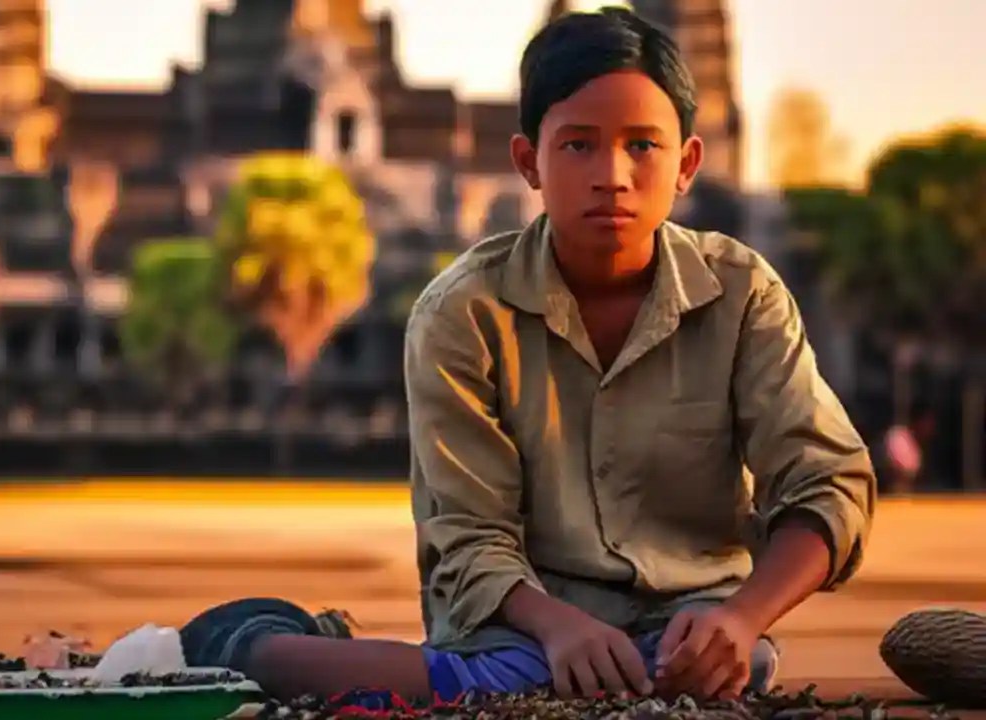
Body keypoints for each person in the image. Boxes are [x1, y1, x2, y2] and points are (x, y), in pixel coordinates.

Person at [178, 6, 876, 705]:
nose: (612, 175)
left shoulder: (742, 294)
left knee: (723, 667)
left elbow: (829, 483)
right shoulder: (462, 312)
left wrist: (741, 617)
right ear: (527, 162)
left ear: (687, 163)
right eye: (578, 146)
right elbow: (470, 536)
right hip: (514, 622)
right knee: (510, 684)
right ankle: (253, 640)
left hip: (687, 622)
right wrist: (562, 628)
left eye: (643, 145)